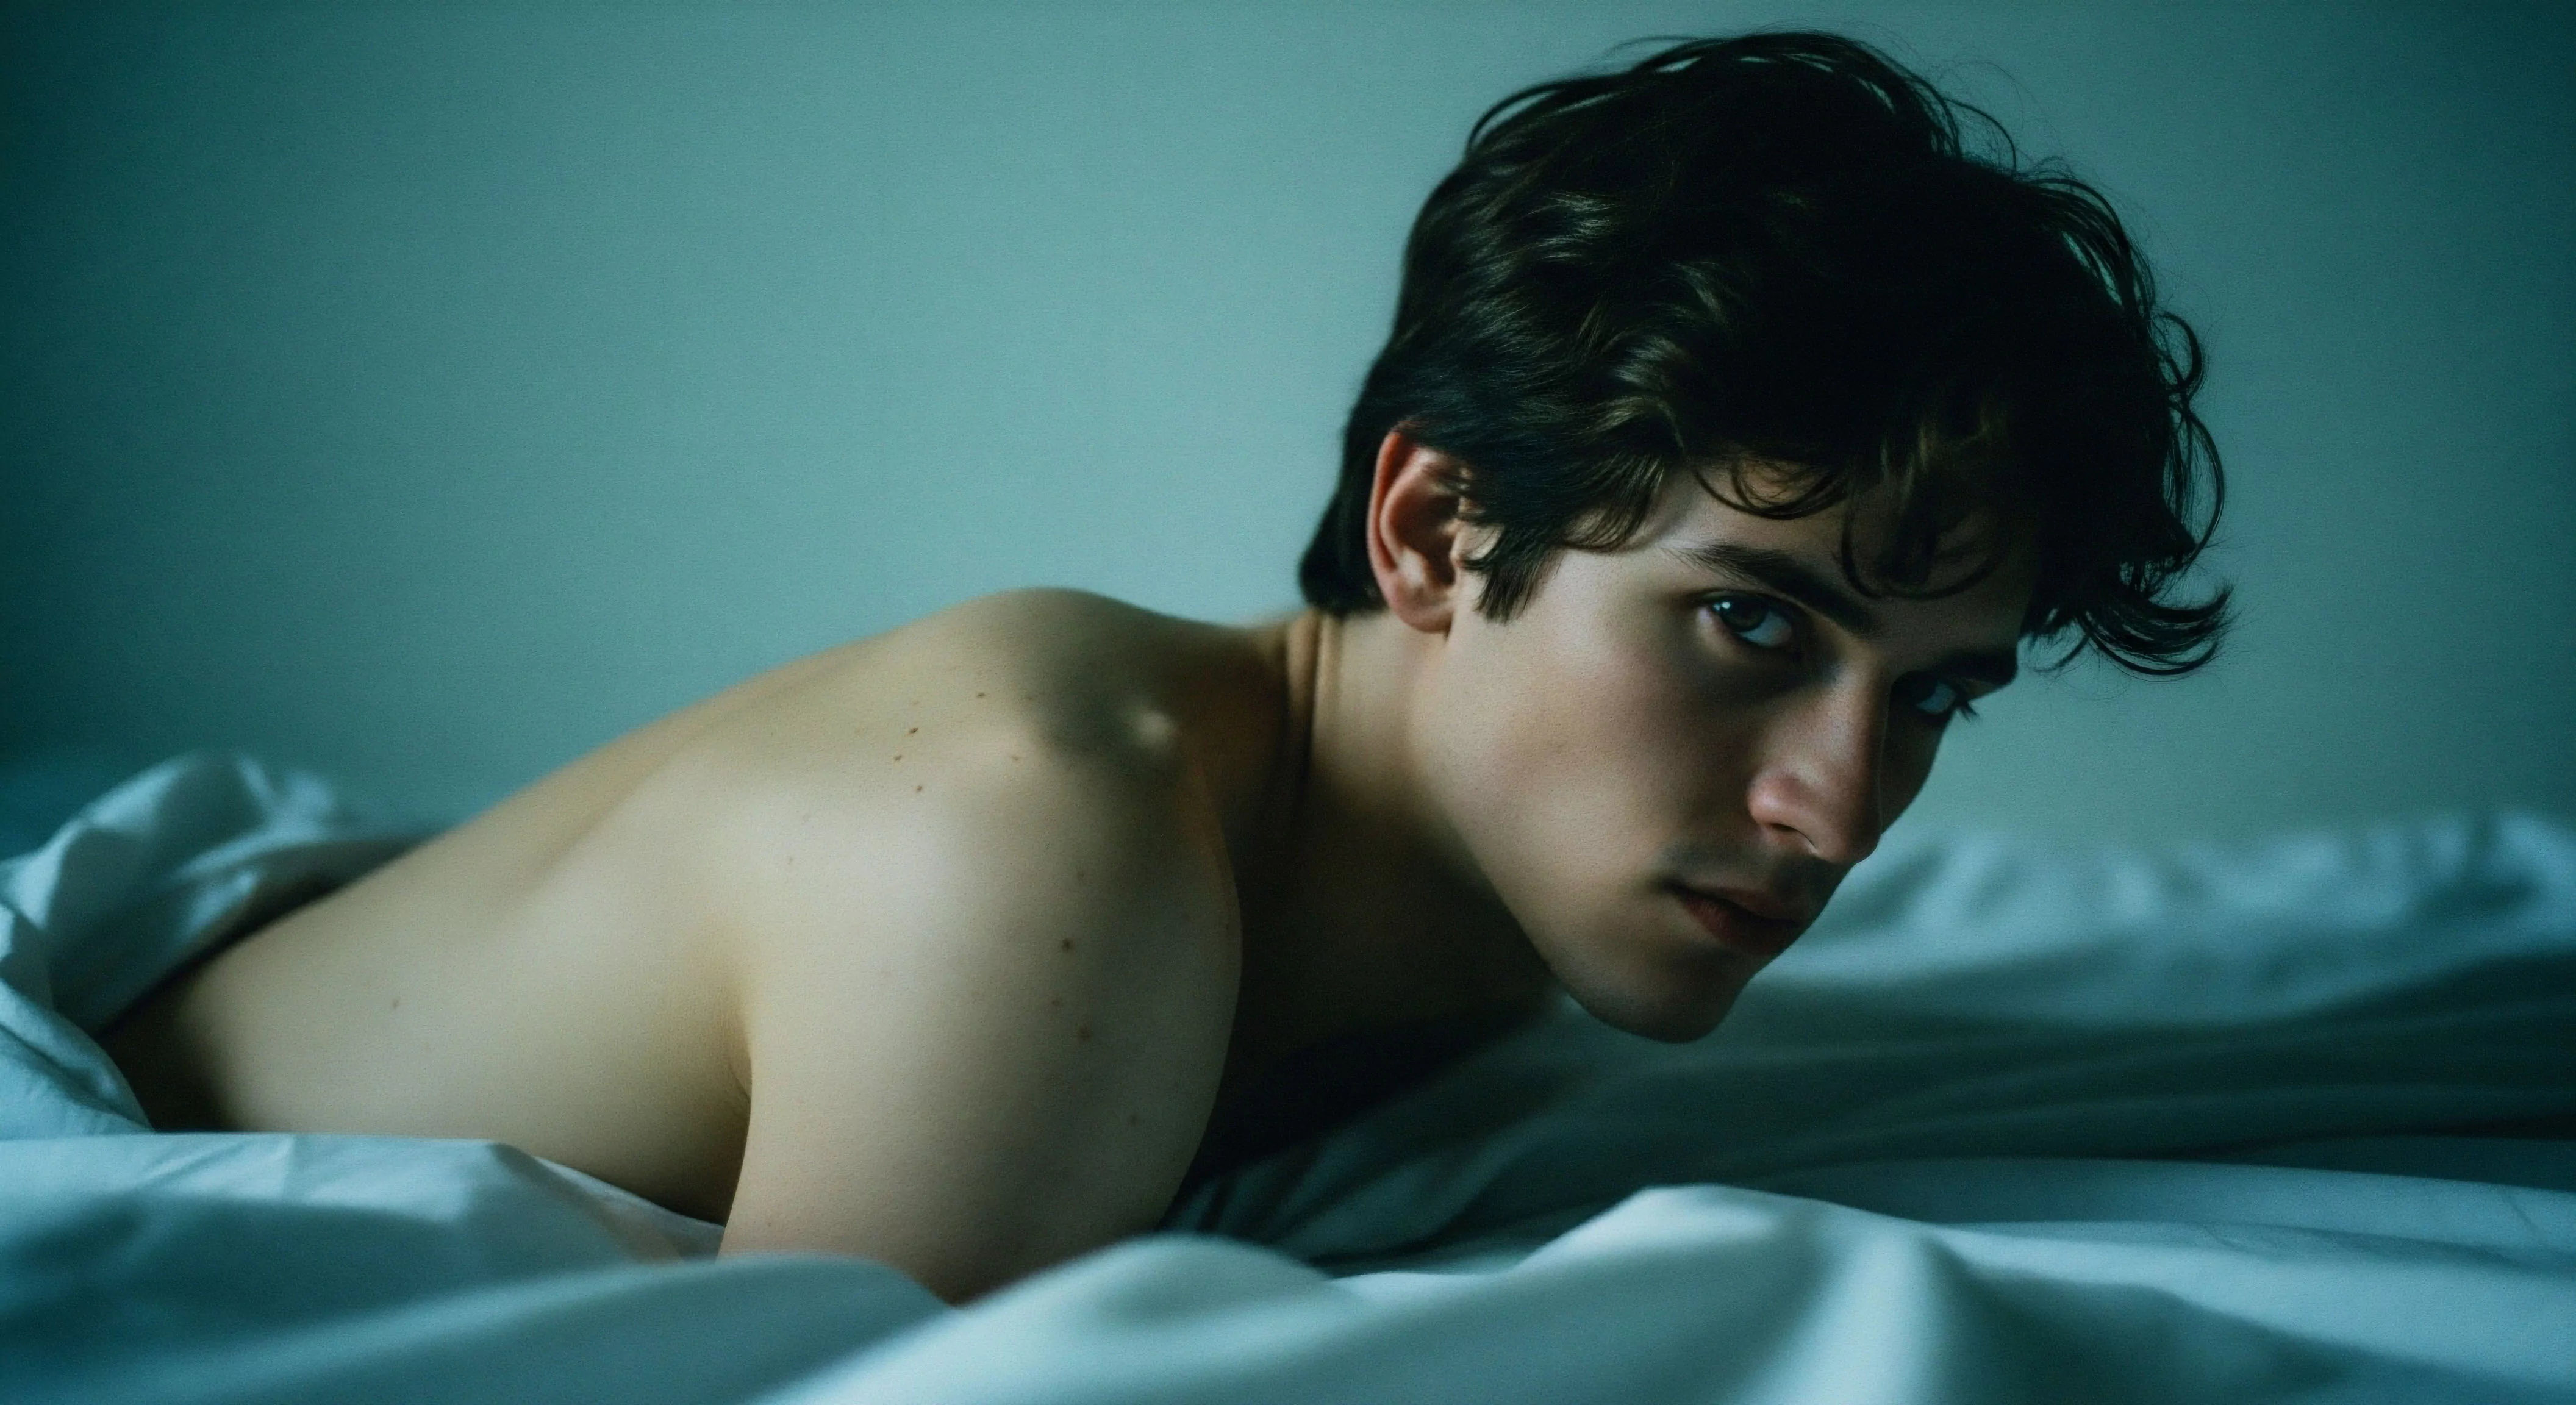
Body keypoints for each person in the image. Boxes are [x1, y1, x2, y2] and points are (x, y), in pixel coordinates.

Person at [102, 32, 2227, 1304]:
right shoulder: (1057, 845)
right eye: (1752, 623)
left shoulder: (1501, 880)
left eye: (1937, 692)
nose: (1836, 812)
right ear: (1432, 531)